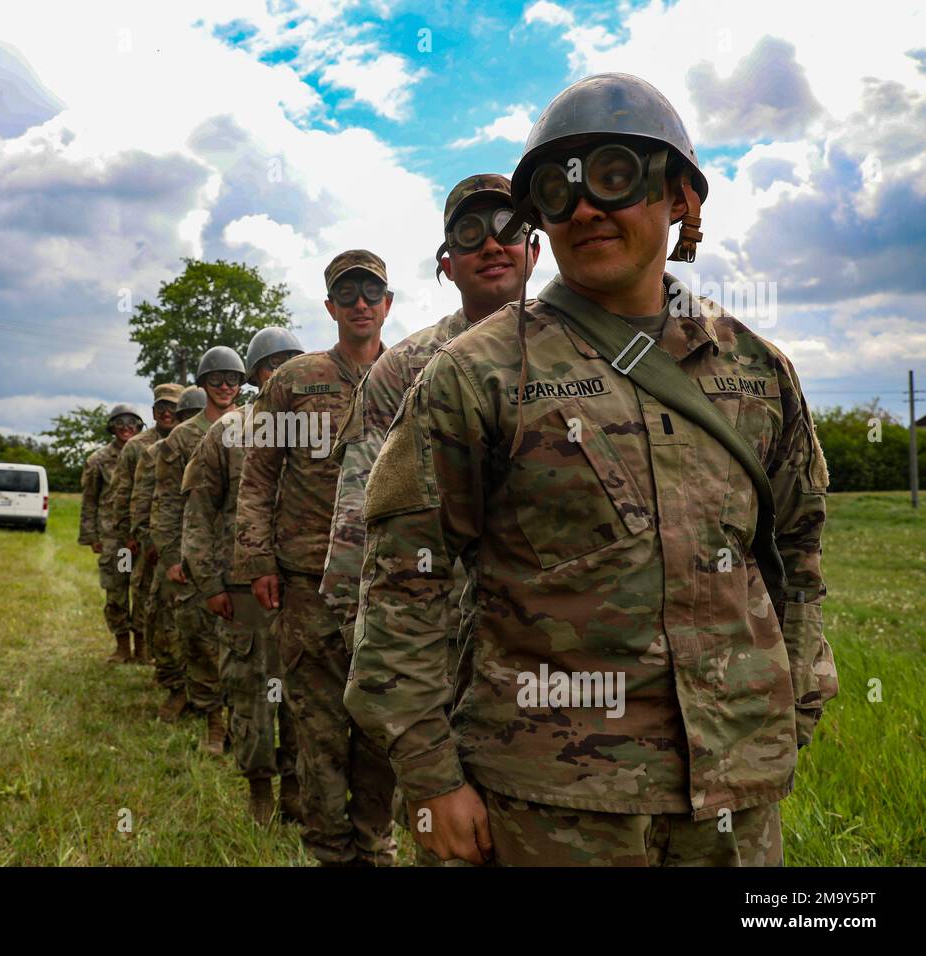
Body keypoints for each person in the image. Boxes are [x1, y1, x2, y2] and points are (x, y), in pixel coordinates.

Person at [345, 73, 839, 867]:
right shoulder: (478, 374)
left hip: (732, 798)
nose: (584, 208)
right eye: (556, 187)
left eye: (614, 176)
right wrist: (432, 778)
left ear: (681, 198)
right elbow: (402, 587)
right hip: (551, 805)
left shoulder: (755, 371)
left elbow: (799, 551)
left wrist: (792, 699)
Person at [320, 173, 538, 865]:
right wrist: (357, 632)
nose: (492, 246)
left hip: (553, 642)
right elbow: (361, 504)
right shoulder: (407, 367)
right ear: (446, 265)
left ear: (535, 247)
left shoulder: (588, 353)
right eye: (469, 236)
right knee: (453, 840)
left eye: (506, 227)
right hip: (437, 644)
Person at [234, 249, 396, 866]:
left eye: (371, 292)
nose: (360, 303)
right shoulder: (294, 381)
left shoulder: (414, 373)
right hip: (309, 585)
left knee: (381, 725)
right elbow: (257, 478)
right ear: (330, 306)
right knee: (320, 728)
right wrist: (259, 562)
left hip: (389, 588)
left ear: (388, 303)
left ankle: (374, 845)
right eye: (347, 293)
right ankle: (330, 850)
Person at [182, 327, 306, 823]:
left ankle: (297, 789)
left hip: (303, 588)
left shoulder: (318, 429)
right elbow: (197, 513)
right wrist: (209, 585)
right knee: (252, 695)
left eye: (291, 362)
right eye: (272, 365)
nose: (281, 372)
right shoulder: (229, 431)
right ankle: (261, 792)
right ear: (256, 376)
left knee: (302, 696)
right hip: (242, 591)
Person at [153, 350, 243, 754]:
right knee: (200, 639)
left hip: (245, 552)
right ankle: (213, 720)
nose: (225, 386)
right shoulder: (181, 438)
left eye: (232, 379)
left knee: (245, 646)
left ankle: (245, 722)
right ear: (204, 382)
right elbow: (167, 501)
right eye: (217, 379)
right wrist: (172, 556)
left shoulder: (257, 427)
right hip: (198, 551)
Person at [133, 387, 202, 720]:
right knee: (165, 622)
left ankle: (208, 696)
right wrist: (152, 546)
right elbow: (146, 502)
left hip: (211, 550)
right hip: (170, 547)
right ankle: (176, 689)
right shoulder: (158, 452)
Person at [111, 383, 184, 665]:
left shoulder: (191, 438)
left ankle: (167, 655)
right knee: (143, 593)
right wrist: (132, 534)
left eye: (174, 407)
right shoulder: (137, 447)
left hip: (178, 534)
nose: (168, 413)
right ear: (154, 411)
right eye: (162, 407)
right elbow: (124, 492)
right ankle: (142, 650)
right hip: (145, 534)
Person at [78, 403, 144, 664]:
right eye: (120, 422)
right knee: (116, 592)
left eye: (132, 422)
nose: (126, 427)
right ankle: (121, 647)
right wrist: (91, 536)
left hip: (139, 536)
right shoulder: (98, 460)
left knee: (142, 592)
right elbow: (89, 500)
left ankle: (142, 648)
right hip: (112, 538)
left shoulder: (147, 453)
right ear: (112, 427)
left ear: (139, 426)